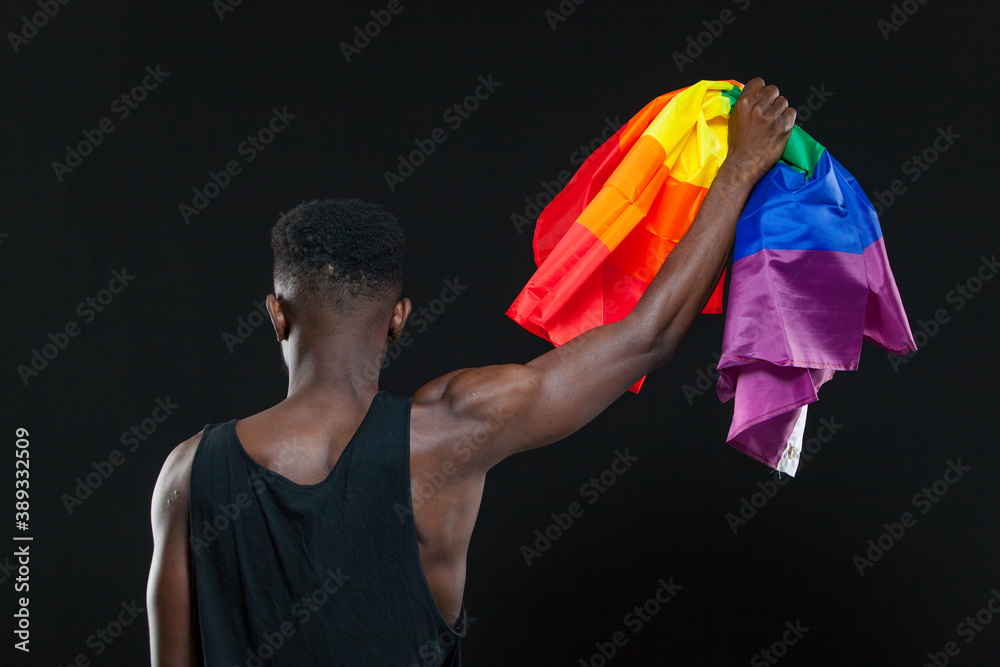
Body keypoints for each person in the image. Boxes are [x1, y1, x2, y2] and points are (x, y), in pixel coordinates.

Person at [146, 77, 795, 666]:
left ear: (276, 315)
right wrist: (738, 169)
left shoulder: (188, 472)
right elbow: (647, 338)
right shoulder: (449, 432)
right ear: (398, 318)